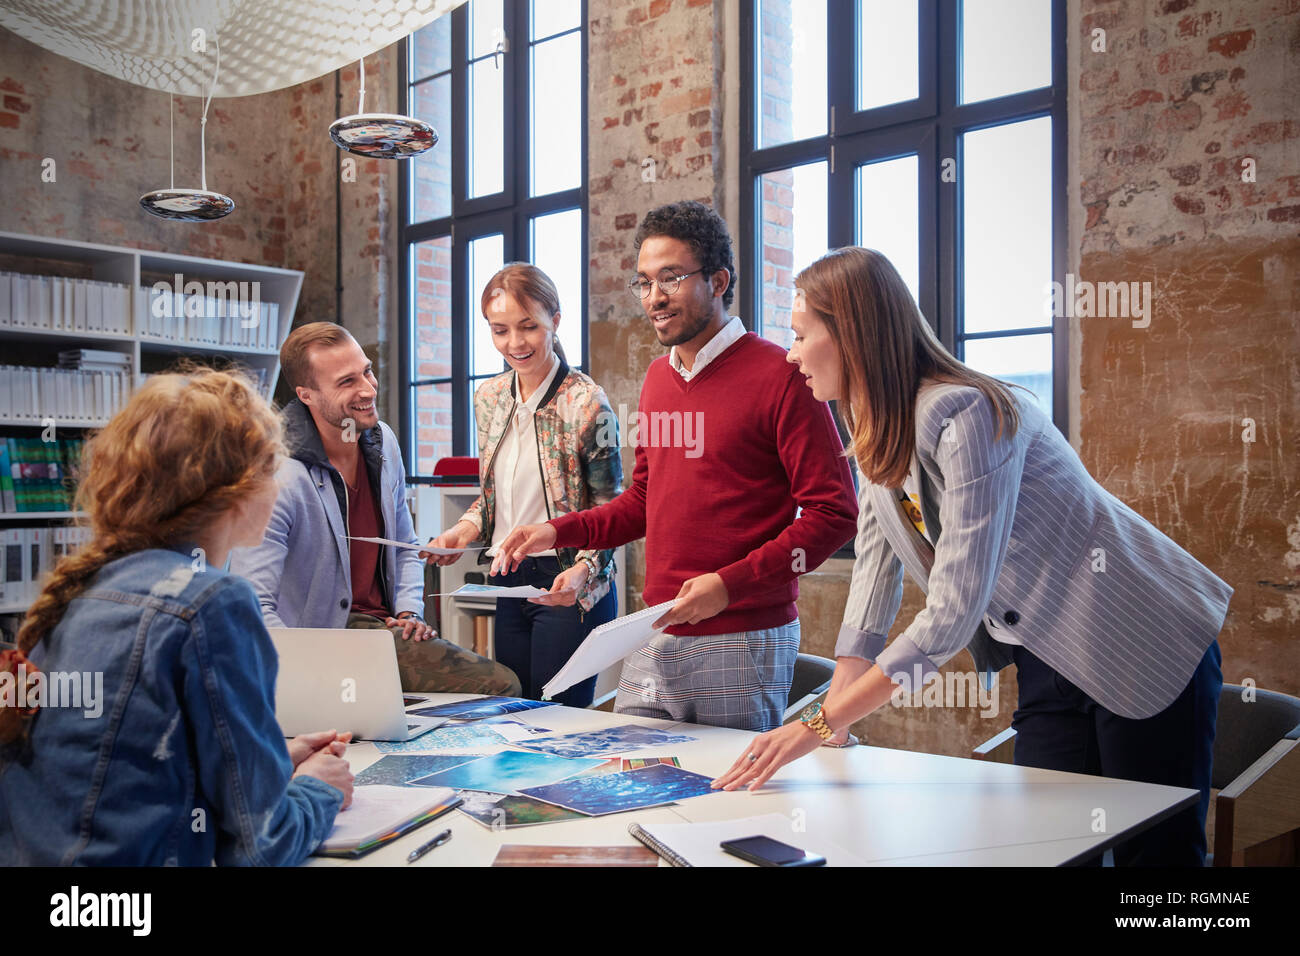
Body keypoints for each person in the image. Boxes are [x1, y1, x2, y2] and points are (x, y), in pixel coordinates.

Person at [714, 247, 1229, 867]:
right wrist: (838, 715)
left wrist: (817, 724)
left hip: (1140, 638)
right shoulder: (879, 429)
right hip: (1047, 658)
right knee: (1051, 849)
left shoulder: (965, 412)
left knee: (1160, 865)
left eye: (799, 336)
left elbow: (953, 611)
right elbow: (875, 578)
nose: (791, 354)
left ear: (850, 335)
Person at [494, 201, 858, 732]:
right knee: (626, 789)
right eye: (643, 282)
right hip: (652, 630)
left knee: (721, 806)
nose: (654, 298)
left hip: (741, 637)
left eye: (671, 278)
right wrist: (556, 530)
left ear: (718, 280)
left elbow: (834, 513)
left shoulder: (781, 375)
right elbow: (643, 502)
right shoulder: (658, 381)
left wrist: (731, 585)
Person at [0, 368, 352, 866]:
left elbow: (131, 770)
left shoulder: (79, 591)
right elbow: (260, 848)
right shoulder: (213, 601)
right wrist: (320, 788)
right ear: (242, 489)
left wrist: (275, 762)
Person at [230, 322, 520, 697]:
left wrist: (408, 613)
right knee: (502, 687)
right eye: (346, 382)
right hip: (321, 643)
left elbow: (404, 544)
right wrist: (307, 682)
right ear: (306, 395)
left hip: (380, 632)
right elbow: (253, 606)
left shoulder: (382, 441)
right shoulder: (276, 475)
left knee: (498, 690)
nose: (367, 389)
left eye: (367, 371)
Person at [426, 264, 620, 707]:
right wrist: (464, 530)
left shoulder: (588, 402)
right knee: (513, 715)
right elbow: (493, 496)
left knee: (560, 726)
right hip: (508, 578)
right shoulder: (489, 398)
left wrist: (585, 570)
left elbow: (613, 508)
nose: (514, 343)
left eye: (528, 326)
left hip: (569, 584)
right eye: (500, 330)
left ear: (555, 319)